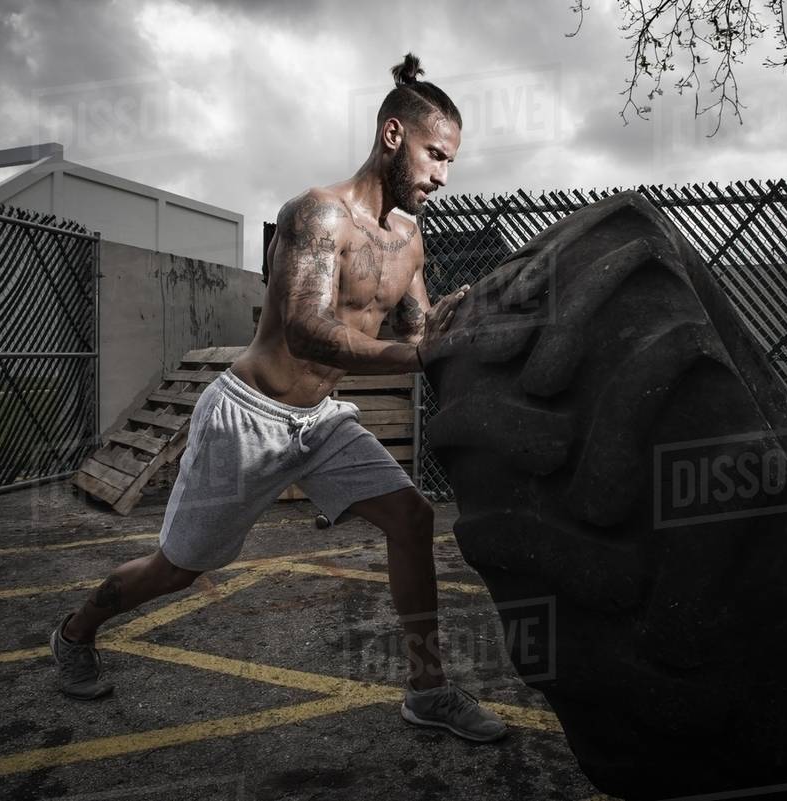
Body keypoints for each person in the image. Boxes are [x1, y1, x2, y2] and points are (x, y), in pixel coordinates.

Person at [51, 52, 507, 743]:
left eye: (450, 164)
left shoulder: (409, 239)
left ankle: (428, 688)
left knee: (412, 518)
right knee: (178, 569)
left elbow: (417, 327)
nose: (442, 177)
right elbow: (307, 329)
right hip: (248, 418)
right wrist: (419, 351)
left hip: (320, 422)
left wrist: (456, 318)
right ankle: (76, 631)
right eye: (435, 156)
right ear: (393, 135)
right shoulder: (319, 216)